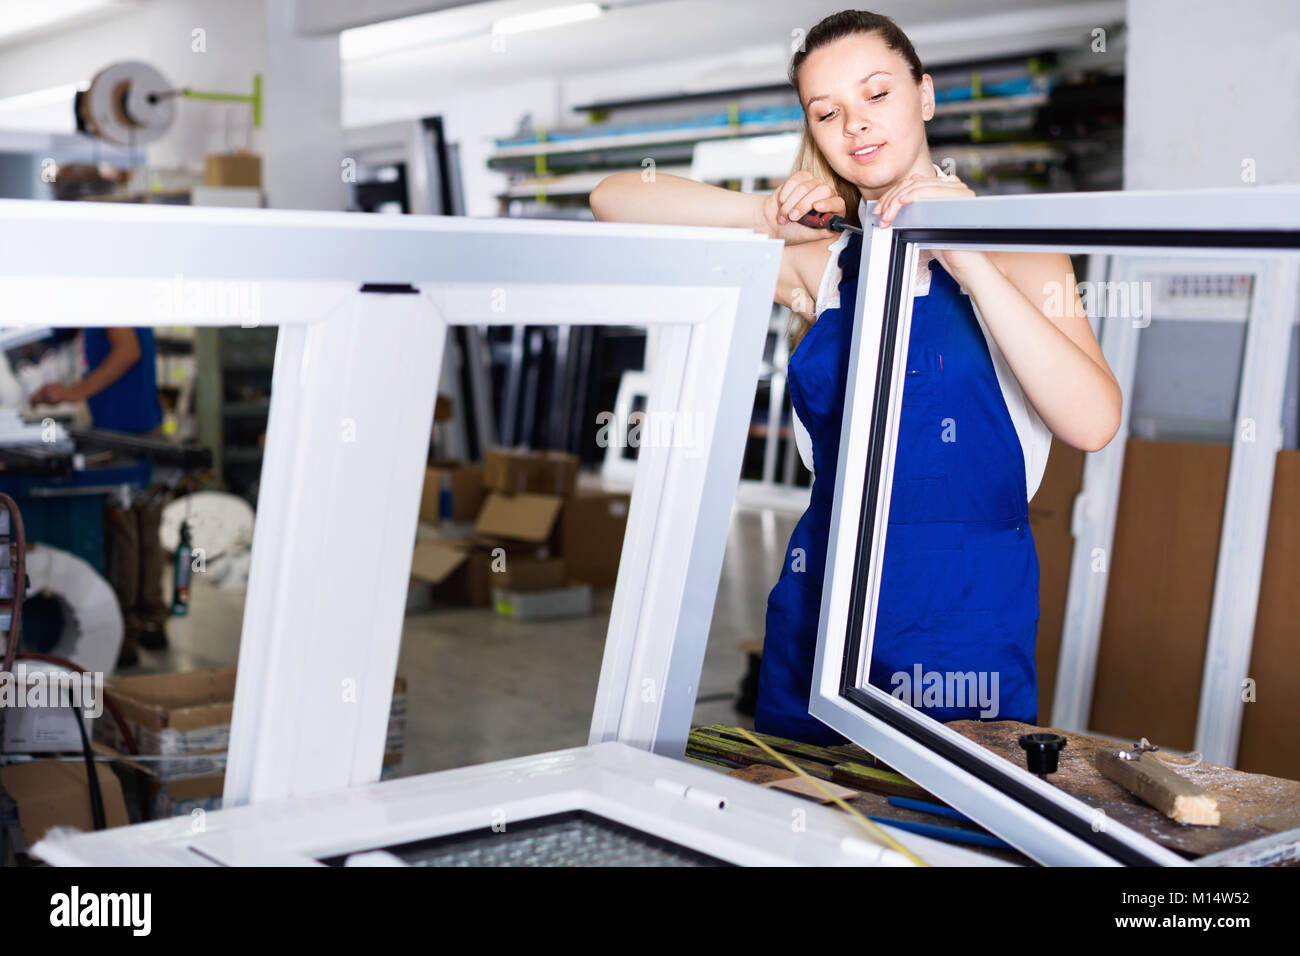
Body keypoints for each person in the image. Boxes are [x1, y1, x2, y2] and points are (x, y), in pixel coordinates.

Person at [591, 10, 1120, 744]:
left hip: (966, 611)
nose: (856, 126)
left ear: (925, 95)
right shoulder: (825, 263)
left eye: (877, 94)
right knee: (805, 815)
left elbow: (1093, 421)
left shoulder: (1023, 256)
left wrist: (969, 259)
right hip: (824, 596)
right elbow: (612, 203)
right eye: (827, 111)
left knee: (941, 838)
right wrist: (763, 214)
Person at [31, 328, 169, 666]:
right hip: (141, 426)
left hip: (122, 433)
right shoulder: (118, 295)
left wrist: (74, 392)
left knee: (124, 533)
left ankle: (125, 636)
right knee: (144, 528)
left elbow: (127, 352)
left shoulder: (107, 298)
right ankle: (151, 621)